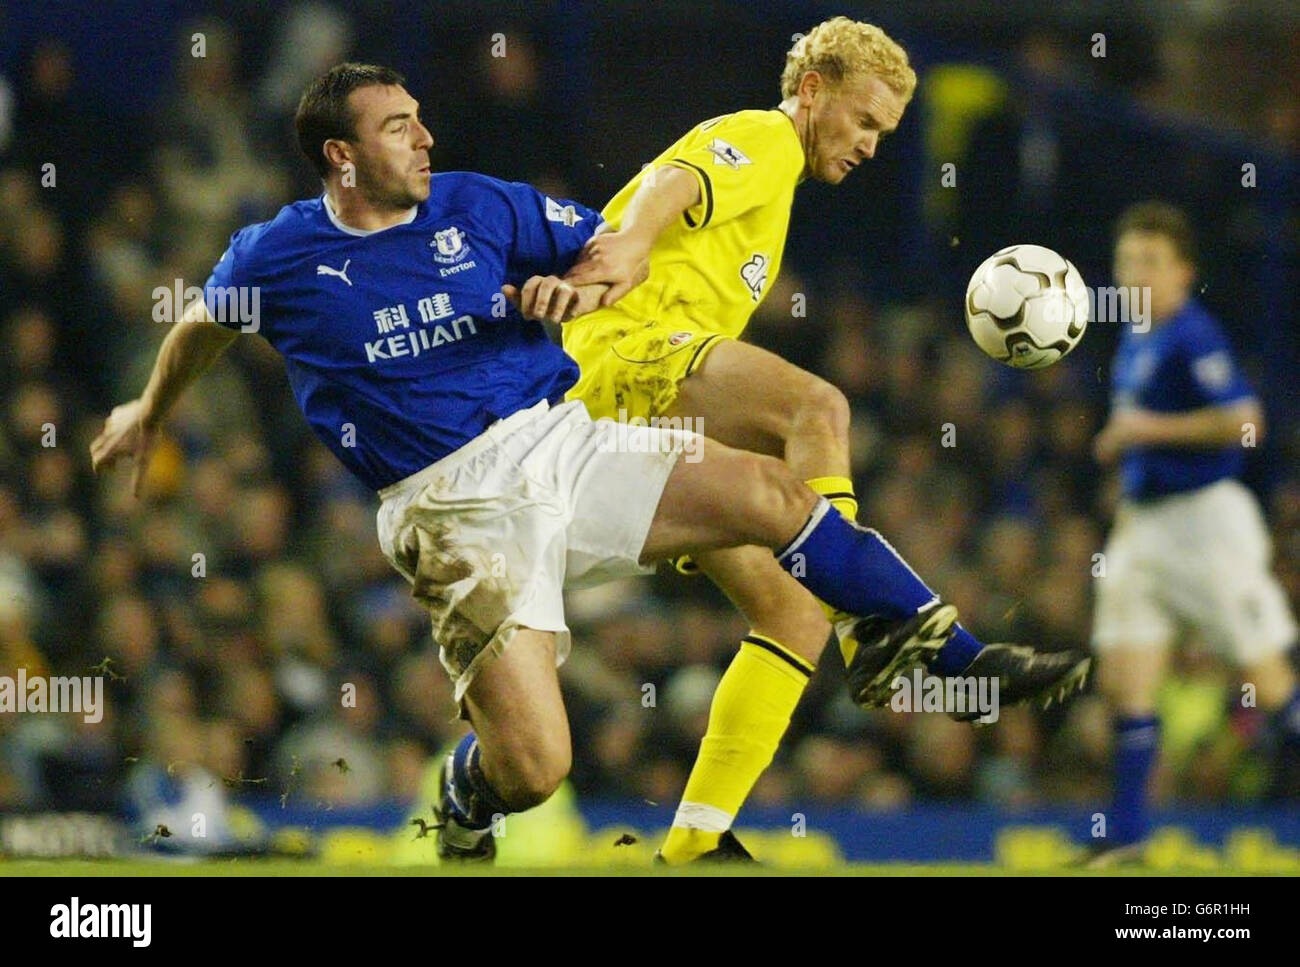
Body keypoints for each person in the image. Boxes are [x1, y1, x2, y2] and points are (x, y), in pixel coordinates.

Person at [90, 63, 1004, 863]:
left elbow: (615, 248)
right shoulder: (279, 255)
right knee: (535, 771)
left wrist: (585, 284)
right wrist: (149, 410)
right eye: (397, 126)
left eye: (419, 117)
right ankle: (465, 794)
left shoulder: (477, 202)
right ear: (341, 156)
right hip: (447, 506)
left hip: (558, 439)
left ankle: (957, 654)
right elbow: (203, 325)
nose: (424, 137)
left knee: (774, 490)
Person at [555, 17, 1088, 863]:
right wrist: (631, 243)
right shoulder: (766, 136)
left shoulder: (781, 190)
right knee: (819, 408)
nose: (873, 146)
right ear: (812, 91)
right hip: (621, 356)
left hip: (630, 410)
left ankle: (695, 841)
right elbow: (678, 181)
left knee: (788, 607)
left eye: (886, 132)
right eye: (865, 121)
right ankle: (886, 627)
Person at [1086, 201, 1300, 865]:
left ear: (1183, 273)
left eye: (1151, 262)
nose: (1136, 276)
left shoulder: (1192, 333)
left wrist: (1143, 431)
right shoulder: (1136, 339)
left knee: (1267, 681)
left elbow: (1245, 424)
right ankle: (1127, 839)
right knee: (1126, 677)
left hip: (1208, 521)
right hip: (1144, 527)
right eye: (1127, 262)